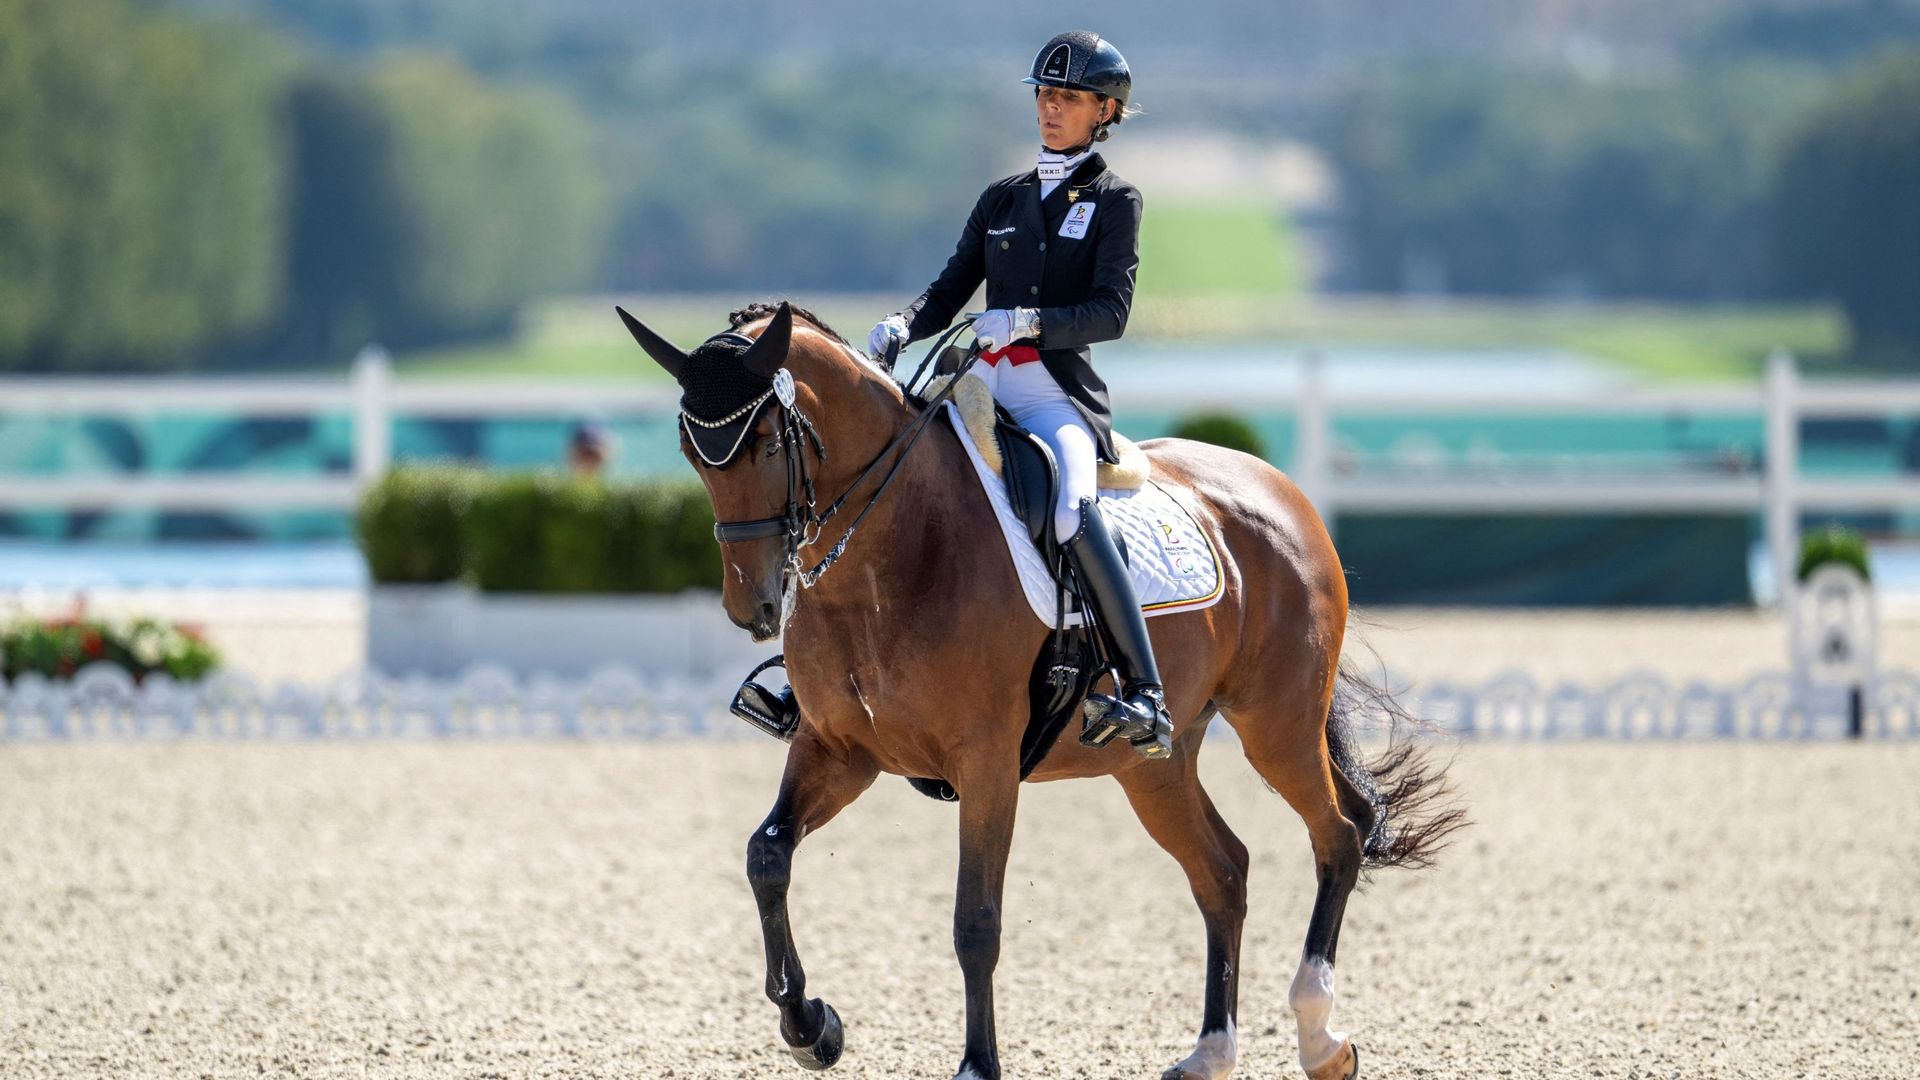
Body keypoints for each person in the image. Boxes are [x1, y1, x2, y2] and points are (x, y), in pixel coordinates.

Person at [867, 31, 1170, 758]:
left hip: (1051, 393)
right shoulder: (1001, 198)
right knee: (882, 475)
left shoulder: (1113, 200)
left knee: (1070, 506)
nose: (1050, 107)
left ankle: (1144, 690)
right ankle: (814, 670)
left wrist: (1029, 320)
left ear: (1105, 110)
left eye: (1066, 97)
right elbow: (948, 290)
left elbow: (1111, 313)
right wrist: (902, 324)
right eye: (1044, 93)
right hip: (977, 380)